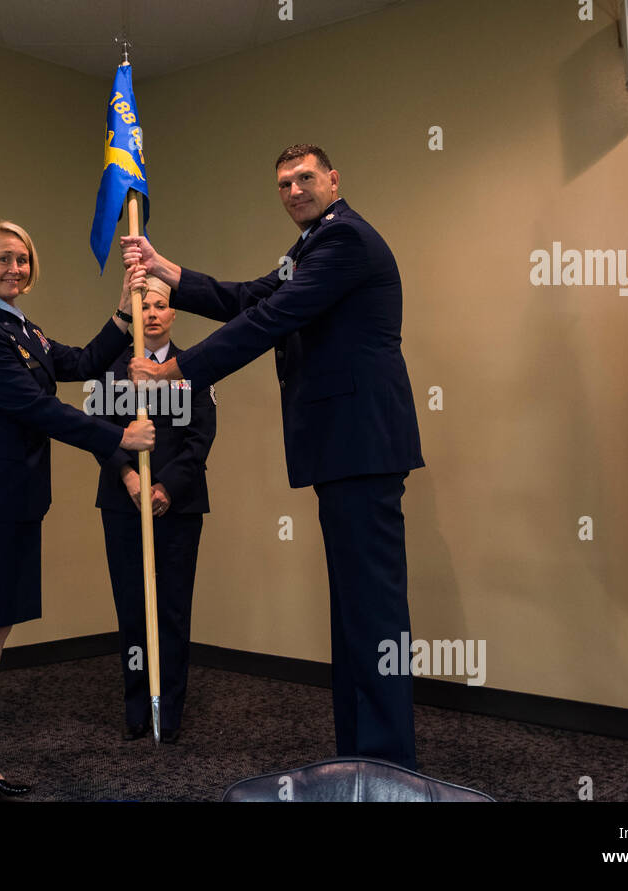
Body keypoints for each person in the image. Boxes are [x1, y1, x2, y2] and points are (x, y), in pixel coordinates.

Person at [122, 145, 424, 769]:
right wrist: (165, 268)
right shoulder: (312, 245)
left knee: (372, 610)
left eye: (305, 178)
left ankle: (388, 763)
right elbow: (251, 297)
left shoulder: (344, 241)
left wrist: (176, 369)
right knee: (354, 611)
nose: (293, 190)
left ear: (334, 179)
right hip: (343, 448)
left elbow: (272, 318)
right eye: (283, 183)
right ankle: (360, 755)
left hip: (360, 444)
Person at [0, 219, 154, 801]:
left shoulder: (21, 329)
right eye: (3, 258)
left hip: (17, 498)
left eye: (23, 259)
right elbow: (36, 408)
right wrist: (117, 438)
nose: (15, 268)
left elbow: (81, 361)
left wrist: (124, 314)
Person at [92, 276, 216, 744]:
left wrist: (166, 487)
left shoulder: (192, 368)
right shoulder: (112, 367)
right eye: (145, 307)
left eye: (162, 306)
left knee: (172, 611)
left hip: (178, 506)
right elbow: (99, 432)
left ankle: (171, 711)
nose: (153, 315)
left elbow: (201, 438)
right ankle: (136, 709)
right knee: (132, 608)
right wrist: (129, 477)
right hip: (123, 503)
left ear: (174, 313)